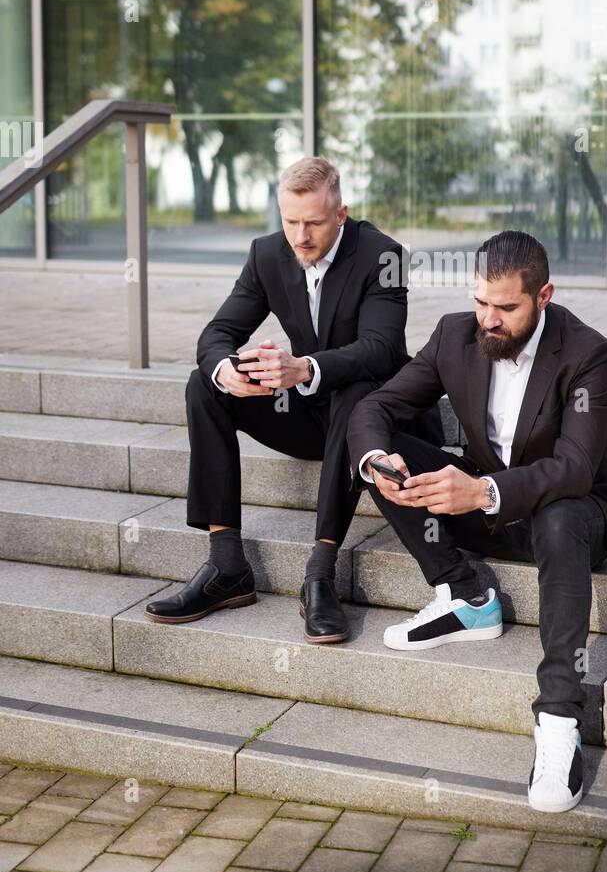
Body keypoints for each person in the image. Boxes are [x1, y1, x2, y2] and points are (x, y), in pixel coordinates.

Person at [347, 230, 607, 814]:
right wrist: (378, 461)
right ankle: (468, 596)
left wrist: (482, 490)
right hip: (490, 509)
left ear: (543, 295)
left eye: (506, 307)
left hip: (579, 518)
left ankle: (558, 720)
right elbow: (376, 407)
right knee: (387, 458)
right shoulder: (456, 334)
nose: (489, 319)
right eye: (481, 301)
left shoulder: (587, 353)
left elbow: (576, 467)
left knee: (557, 519)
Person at [146, 156, 440, 643]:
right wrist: (228, 372)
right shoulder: (267, 254)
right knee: (206, 384)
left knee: (355, 386)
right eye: (290, 222)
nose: (300, 237)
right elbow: (218, 333)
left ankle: (319, 575)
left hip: (382, 425)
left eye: (314, 224)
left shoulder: (382, 255)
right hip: (311, 417)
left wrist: (303, 368)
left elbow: (382, 349)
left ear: (341, 214)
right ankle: (226, 567)